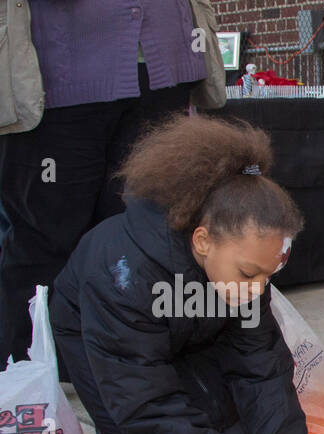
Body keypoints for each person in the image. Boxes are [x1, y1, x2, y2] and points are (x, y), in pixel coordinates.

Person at [49, 113, 324, 434]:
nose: (258, 289)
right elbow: (141, 397)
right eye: (248, 274)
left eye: (268, 275)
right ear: (202, 240)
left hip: (184, 329)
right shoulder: (122, 275)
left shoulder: (241, 269)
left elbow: (261, 365)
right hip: (102, 346)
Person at [0, 0, 221, 364]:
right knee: (45, 236)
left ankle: (136, 363)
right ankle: (27, 369)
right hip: (55, 71)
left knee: (148, 235)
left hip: (164, 63)